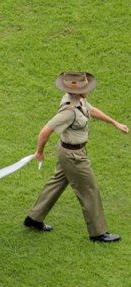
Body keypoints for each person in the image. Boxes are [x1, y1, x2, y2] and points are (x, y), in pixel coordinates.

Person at [23, 72, 129, 242]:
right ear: (77, 91)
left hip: (69, 152)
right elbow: (45, 131)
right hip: (73, 156)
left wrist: (115, 123)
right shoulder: (69, 110)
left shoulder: (79, 100)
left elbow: (91, 110)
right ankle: (98, 233)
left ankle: (34, 219)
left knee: (57, 182)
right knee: (89, 189)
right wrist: (39, 152)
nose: (89, 90)